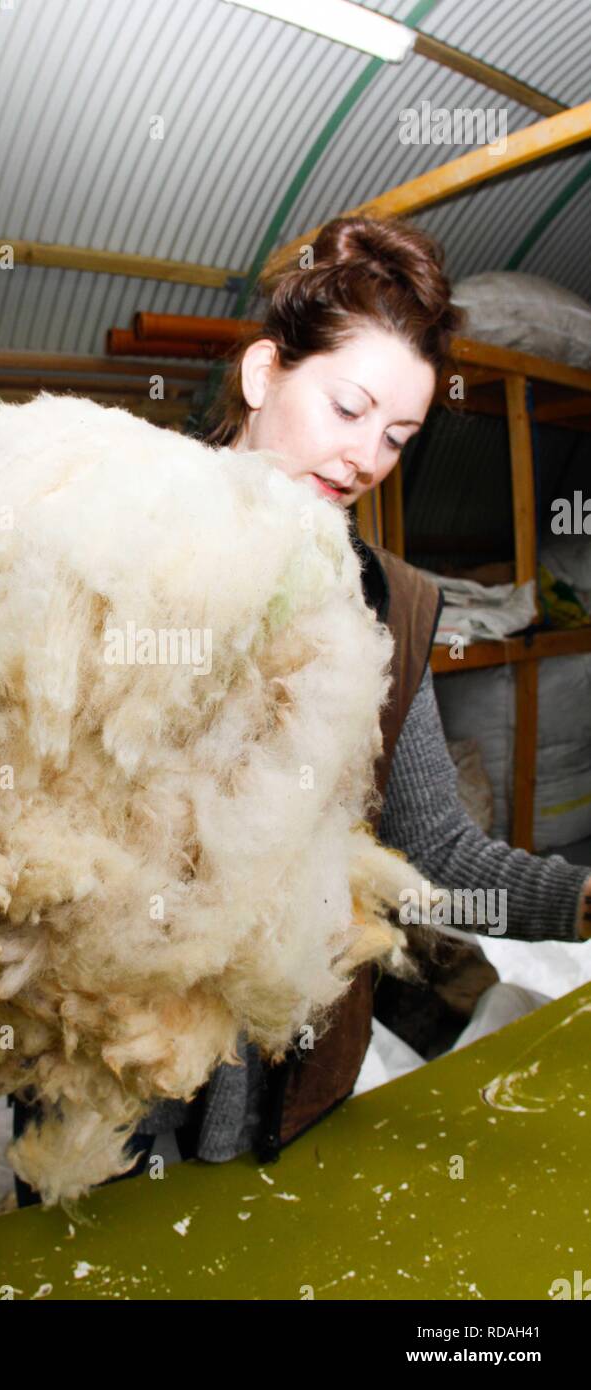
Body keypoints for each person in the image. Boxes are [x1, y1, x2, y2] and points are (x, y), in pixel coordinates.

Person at [129, 214, 591, 1175]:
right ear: (264, 376)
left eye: (398, 434)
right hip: (109, 1092)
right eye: (348, 409)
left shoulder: (389, 602)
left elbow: (438, 856)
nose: (368, 458)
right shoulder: (120, 543)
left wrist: (584, 901)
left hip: (287, 1095)